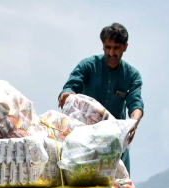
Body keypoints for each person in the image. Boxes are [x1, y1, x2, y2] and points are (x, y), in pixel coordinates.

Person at [59, 22, 144, 173]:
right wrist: (67, 94)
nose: (111, 52)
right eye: (107, 47)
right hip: (85, 141)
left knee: (122, 185)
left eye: (116, 48)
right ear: (103, 46)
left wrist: (134, 123)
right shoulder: (88, 65)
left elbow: (135, 104)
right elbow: (71, 86)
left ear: (125, 47)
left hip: (115, 143)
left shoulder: (132, 75)